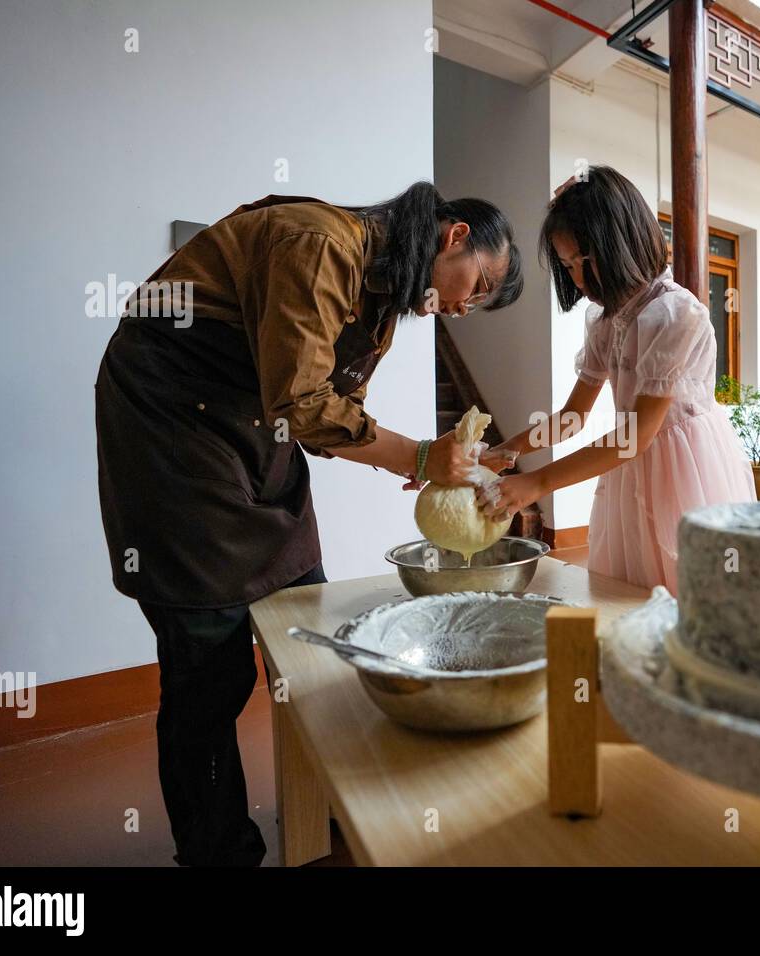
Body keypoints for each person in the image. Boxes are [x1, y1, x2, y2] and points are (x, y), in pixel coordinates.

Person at [94, 183, 522, 865]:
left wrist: (424, 462)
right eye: (480, 286)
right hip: (169, 424)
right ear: (455, 236)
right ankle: (216, 852)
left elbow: (329, 417)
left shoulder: (381, 305)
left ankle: (327, 815)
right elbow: (300, 402)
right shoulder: (318, 243)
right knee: (210, 662)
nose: (468, 308)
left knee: (308, 625)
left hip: (255, 431)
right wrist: (416, 454)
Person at [477, 166, 754, 593]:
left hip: (684, 467)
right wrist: (509, 449)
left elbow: (642, 431)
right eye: (567, 266)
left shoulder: (675, 314)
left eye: (583, 262)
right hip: (627, 462)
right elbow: (573, 416)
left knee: (689, 589)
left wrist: (537, 483)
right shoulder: (607, 322)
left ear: (620, 243)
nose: (577, 278)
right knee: (630, 585)